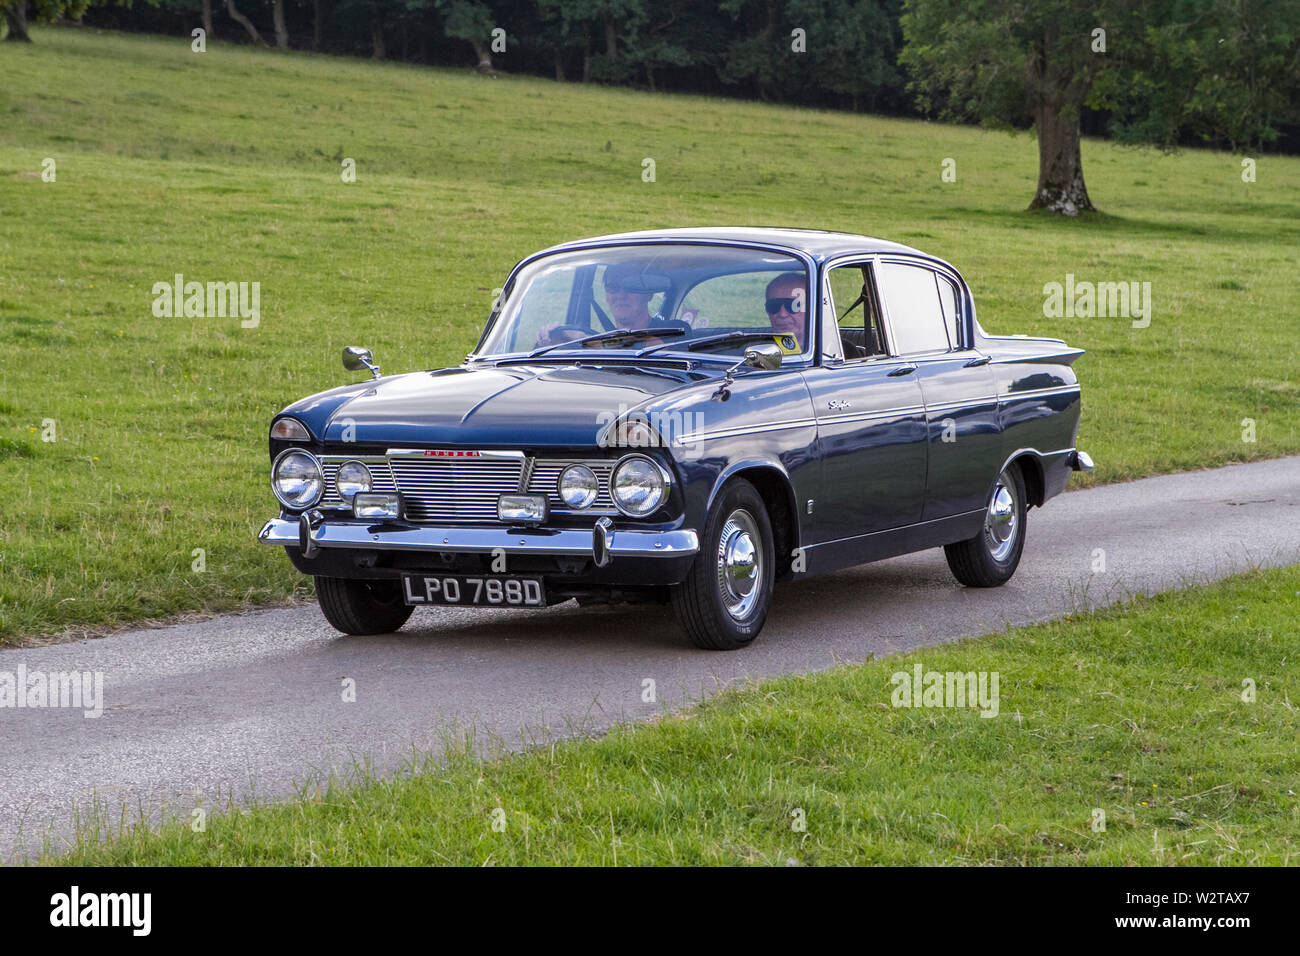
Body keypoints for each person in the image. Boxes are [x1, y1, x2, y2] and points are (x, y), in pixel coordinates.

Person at [535, 262, 663, 348]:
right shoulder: (602, 345)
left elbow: (652, 347)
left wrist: (583, 339)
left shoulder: (674, 331)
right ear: (607, 296)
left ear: (648, 294)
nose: (620, 295)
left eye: (630, 287)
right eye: (612, 287)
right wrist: (551, 341)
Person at [764, 272, 808, 351]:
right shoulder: (751, 351)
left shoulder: (829, 349)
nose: (782, 314)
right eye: (774, 306)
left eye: (793, 306)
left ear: (811, 308)